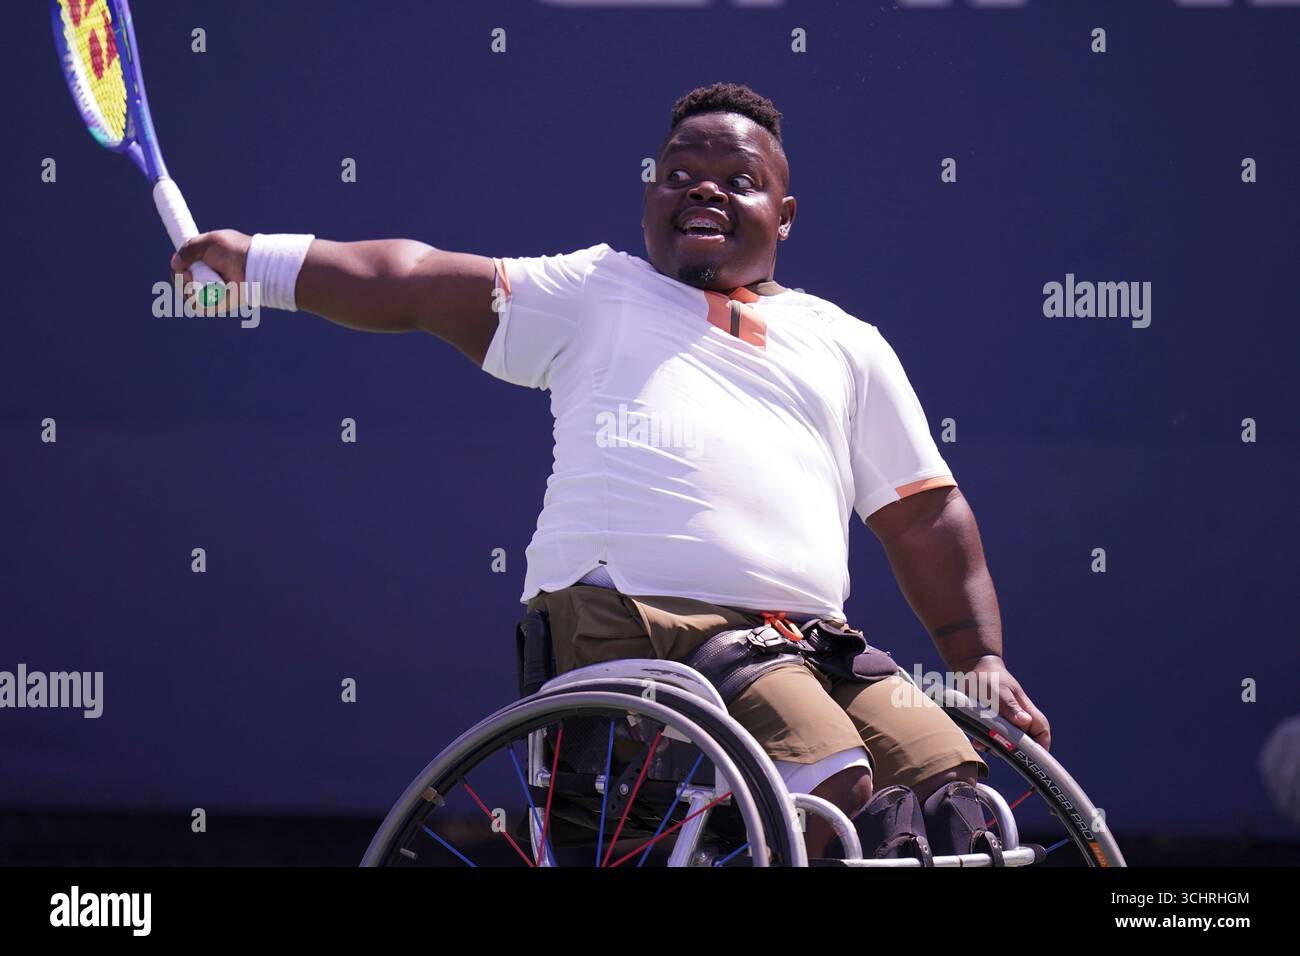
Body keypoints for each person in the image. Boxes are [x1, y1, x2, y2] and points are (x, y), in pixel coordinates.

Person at [171, 81, 1050, 862]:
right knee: (833, 774)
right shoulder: (595, 291)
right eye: (679, 174)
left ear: (784, 215)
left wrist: (979, 659)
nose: (704, 186)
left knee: (954, 788)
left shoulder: (850, 344)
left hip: (811, 645)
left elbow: (924, 514)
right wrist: (257, 265)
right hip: (634, 625)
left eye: (739, 180)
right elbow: (411, 281)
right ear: (649, 200)